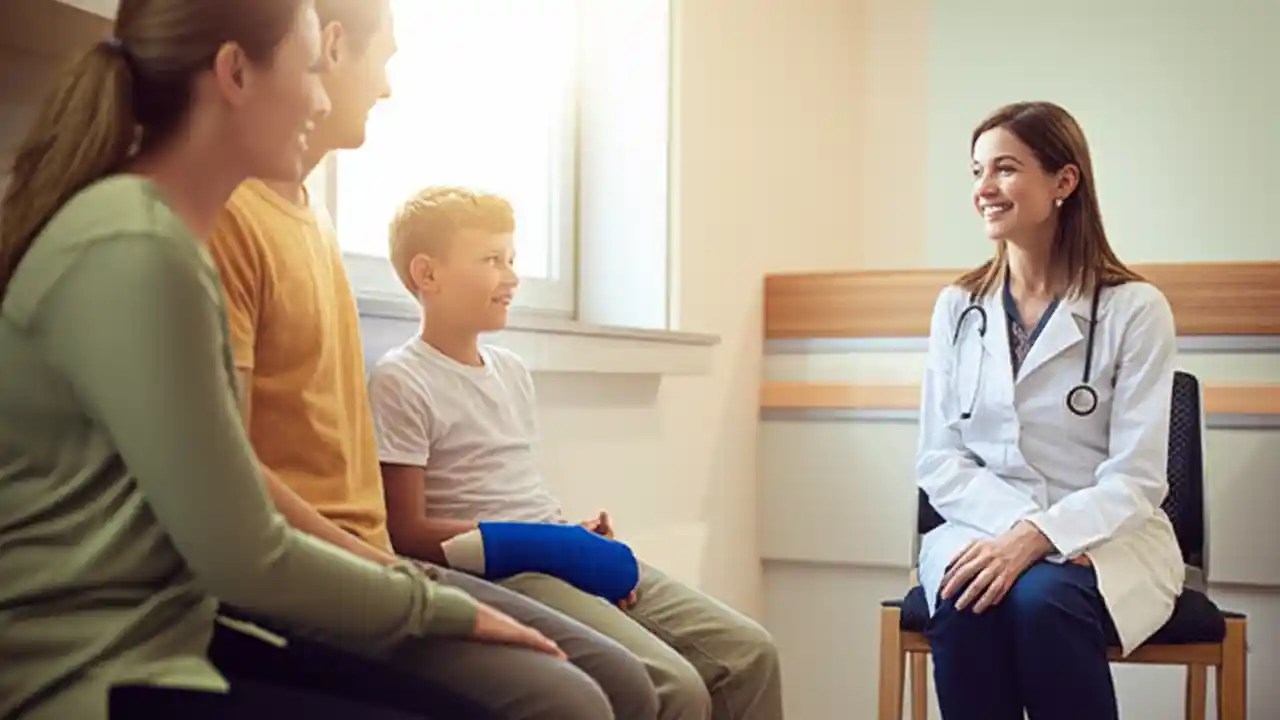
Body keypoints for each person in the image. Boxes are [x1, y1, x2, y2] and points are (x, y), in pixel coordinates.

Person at [0, 1, 561, 718]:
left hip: (172, 646)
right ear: (235, 72)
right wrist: (444, 608)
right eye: (308, 69)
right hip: (94, 680)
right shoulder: (134, 250)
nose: (323, 96)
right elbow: (246, 554)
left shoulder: (156, 240)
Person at [204, 2, 658, 718]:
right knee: (585, 697)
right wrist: (413, 584)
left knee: (631, 681)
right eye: (382, 60)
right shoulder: (225, 221)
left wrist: (565, 537)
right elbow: (228, 480)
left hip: (371, 561)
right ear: (325, 48)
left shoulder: (311, 223)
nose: (385, 88)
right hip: (324, 576)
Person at [367, 186, 786, 720]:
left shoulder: (511, 371)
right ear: (427, 274)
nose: (512, 277)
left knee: (750, 652)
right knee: (675, 687)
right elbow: (406, 532)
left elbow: (519, 487)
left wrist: (574, 536)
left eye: (513, 259)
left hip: (556, 550)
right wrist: (548, 545)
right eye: (492, 260)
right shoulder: (402, 380)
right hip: (506, 573)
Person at [915, 100, 1185, 720]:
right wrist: (1018, 532)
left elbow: (1139, 478)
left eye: (1005, 169)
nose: (984, 188)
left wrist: (1043, 536)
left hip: (1106, 537)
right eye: (977, 171)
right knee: (965, 603)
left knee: (1041, 601)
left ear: (1064, 182)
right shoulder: (959, 307)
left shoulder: (1135, 309)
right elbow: (939, 457)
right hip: (981, 526)